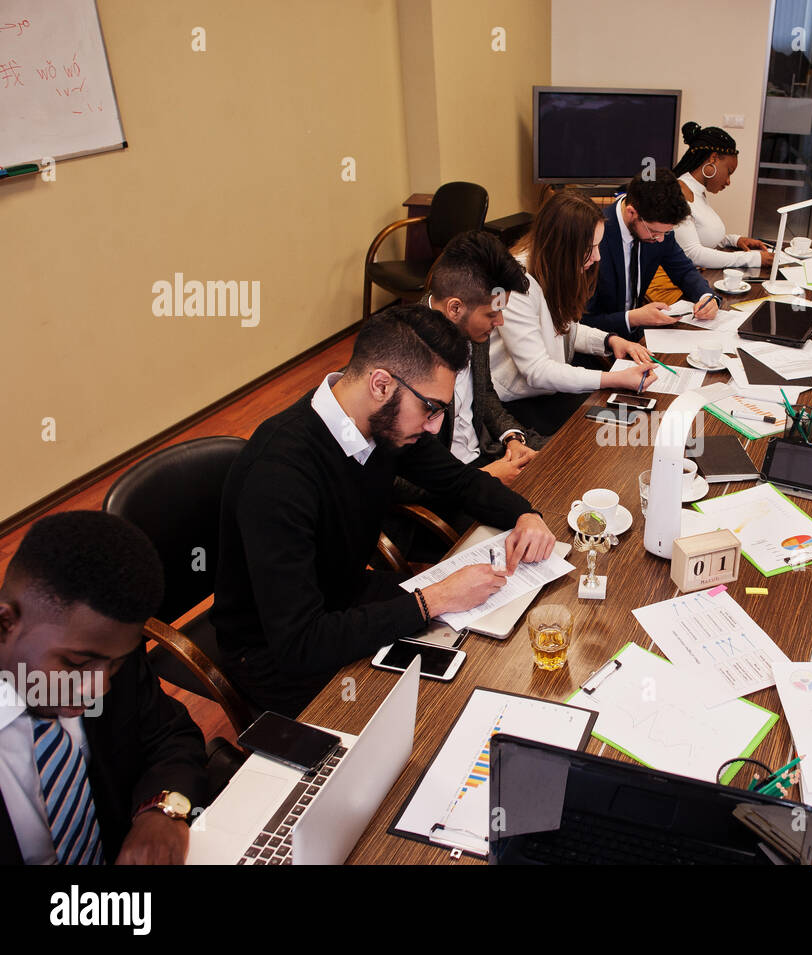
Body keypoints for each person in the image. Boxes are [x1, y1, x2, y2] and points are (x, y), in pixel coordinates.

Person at [214, 305, 557, 714]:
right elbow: (300, 643)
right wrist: (436, 598)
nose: (434, 426)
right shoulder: (278, 476)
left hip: (343, 595)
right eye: (431, 408)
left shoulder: (378, 424)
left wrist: (525, 515)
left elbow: (461, 480)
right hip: (274, 651)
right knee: (430, 711)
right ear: (380, 384)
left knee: (478, 652)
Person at [0, 511, 208, 865]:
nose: (98, 687)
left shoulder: (106, 647)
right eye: (77, 665)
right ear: (6, 624)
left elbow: (171, 736)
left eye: (115, 663)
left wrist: (161, 811)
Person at [490, 190, 658, 436]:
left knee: (627, 420)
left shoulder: (550, 267)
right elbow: (538, 371)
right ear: (562, 247)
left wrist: (610, 341)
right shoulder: (516, 285)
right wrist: (614, 378)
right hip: (515, 401)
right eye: (591, 248)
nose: (597, 256)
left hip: (544, 389)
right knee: (608, 428)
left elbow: (564, 327)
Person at [424, 230, 543, 488]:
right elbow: (400, 478)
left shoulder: (472, 326)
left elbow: (484, 392)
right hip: (450, 488)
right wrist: (482, 479)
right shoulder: (407, 356)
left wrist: (512, 437)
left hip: (486, 456)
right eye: (492, 314)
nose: (499, 322)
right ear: (455, 308)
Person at [581, 169, 719, 339]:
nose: (660, 239)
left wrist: (707, 297)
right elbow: (582, 321)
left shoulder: (660, 231)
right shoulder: (595, 238)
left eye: (666, 233)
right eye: (654, 232)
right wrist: (632, 318)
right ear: (631, 213)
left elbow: (684, 271)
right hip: (600, 342)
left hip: (641, 338)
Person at [669, 122, 774, 271]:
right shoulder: (680, 192)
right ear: (713, 159)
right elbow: (692, 253)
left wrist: (734, 240)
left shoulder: (696, 190)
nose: (728, 181)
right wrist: (752, 258)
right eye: (729, 172)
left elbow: (701, 236)